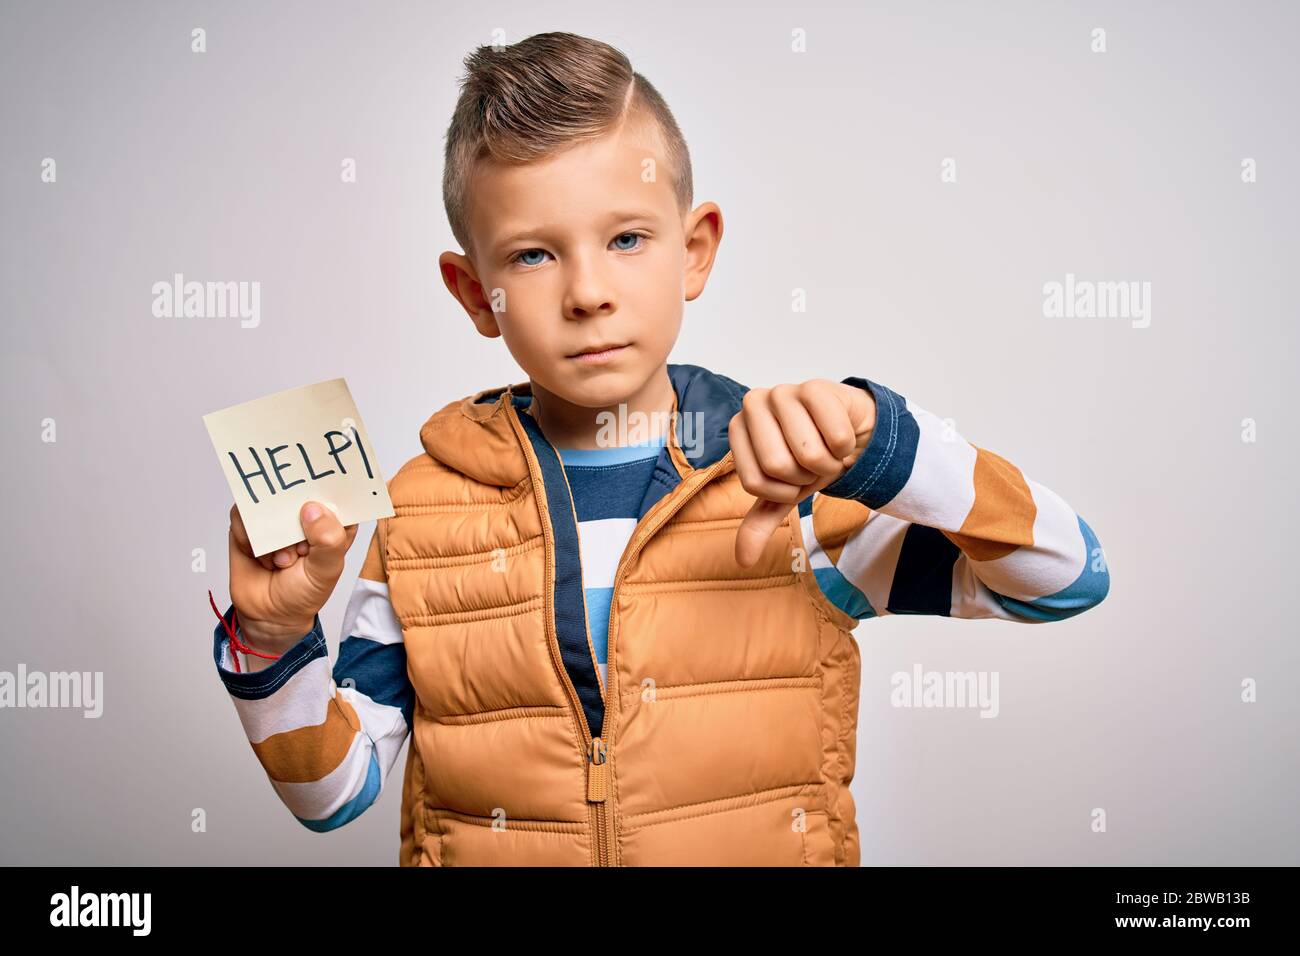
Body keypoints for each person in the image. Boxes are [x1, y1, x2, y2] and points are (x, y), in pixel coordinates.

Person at [210, 31, 1110, 866]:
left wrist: (891, 446)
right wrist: (272, 641)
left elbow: (1067, 579)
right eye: (532, 256)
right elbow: (332, 798)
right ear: (472, 292)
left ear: (696, 249)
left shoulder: (797, 482)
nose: (589, 291)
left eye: (628, 238)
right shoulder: (419, 513)